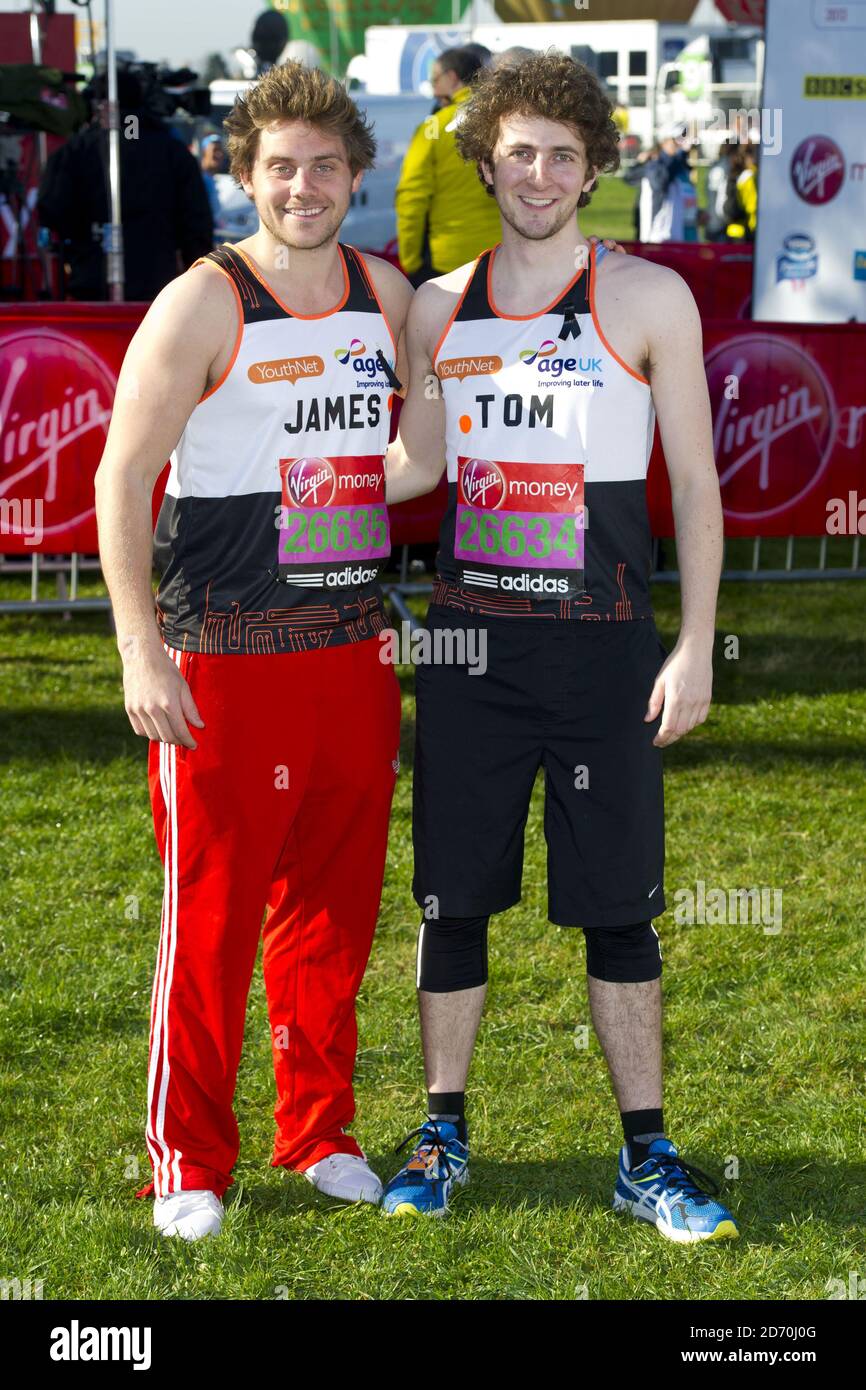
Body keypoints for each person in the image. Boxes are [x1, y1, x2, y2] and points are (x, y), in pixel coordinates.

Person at [381, 52, 739, 1242]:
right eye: (517, 150)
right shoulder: (438, 305)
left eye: (561, 153)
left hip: (603, 656)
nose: (537, 173)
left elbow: (693, 482)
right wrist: (265, 455)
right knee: (453, 901)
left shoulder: (646, 299)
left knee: (617, 910)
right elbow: (417, 469)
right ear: (484, 159)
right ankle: (441, 1131)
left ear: (593, 165)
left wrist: (693, 646)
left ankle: (647, 1154)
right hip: (470, 652)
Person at [94, 60, 413, 1241]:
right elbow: (119, 475)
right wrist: (140, 650)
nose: (303, 186)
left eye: (325, 165)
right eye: (279, 166)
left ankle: (319, 1128)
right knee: (212, 916)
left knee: (334, 913)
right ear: (243, 174)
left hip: (351, 654)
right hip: (222, 661)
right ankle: (188, 1153)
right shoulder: (202, 300)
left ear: (355, 174)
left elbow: (492, 344)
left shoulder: (386, 293)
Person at [37, 69, 213, 301]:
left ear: (101, 105)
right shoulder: (173, 152)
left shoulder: (75, 152)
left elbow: (52, 211)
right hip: (158, 287)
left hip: (92, 279)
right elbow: (196, 224)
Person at [395, 47, 502, 288]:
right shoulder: (508, 122)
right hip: (503, 259)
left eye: (435, 80)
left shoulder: (433, 127)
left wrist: (411, 261)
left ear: (452, 78)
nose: (433, 89)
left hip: (446, 263)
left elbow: (411, 198)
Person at [625, 122, 698, 243]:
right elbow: (660, 183)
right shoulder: (654, 163)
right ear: (665, 140)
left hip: (677, 234)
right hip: (656, 236)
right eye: (677, 140)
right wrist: (679, 155)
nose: (681, 144)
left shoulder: (679, 165)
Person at [724, 143, 758, 243]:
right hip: (747, 229)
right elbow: (752, 207)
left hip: (733, 228)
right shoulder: (749, 176)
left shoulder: (734, 175)